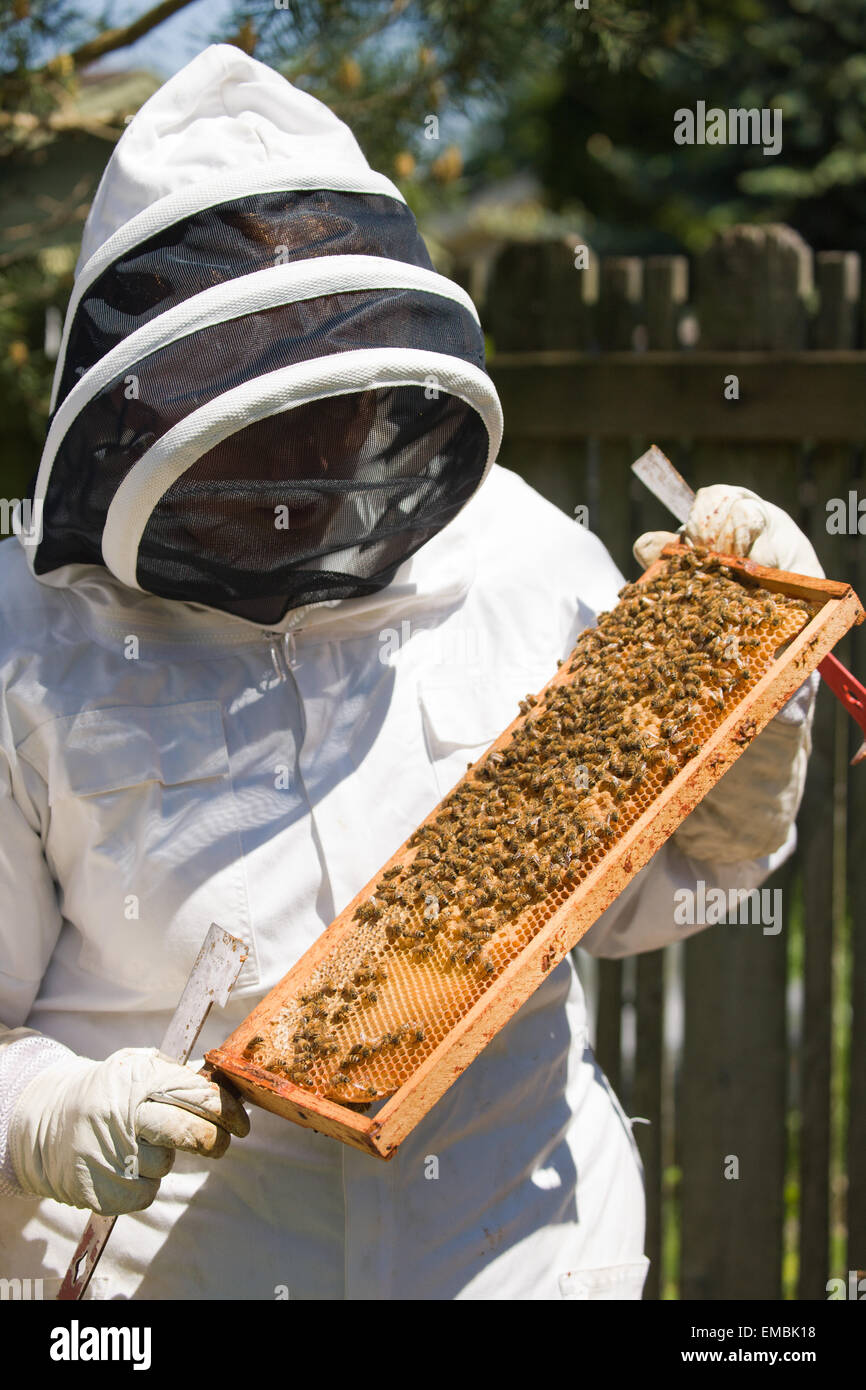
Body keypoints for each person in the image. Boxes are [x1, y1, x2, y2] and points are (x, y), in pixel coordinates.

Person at [0, 45, 822, 1301]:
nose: (301, 455)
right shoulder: (32, 637)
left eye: (323, 396)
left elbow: (642, 901)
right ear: (153, 405)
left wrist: (753, 732)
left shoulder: (524, 557)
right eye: (250, 411)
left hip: (527, 1256)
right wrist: (54, 1115)